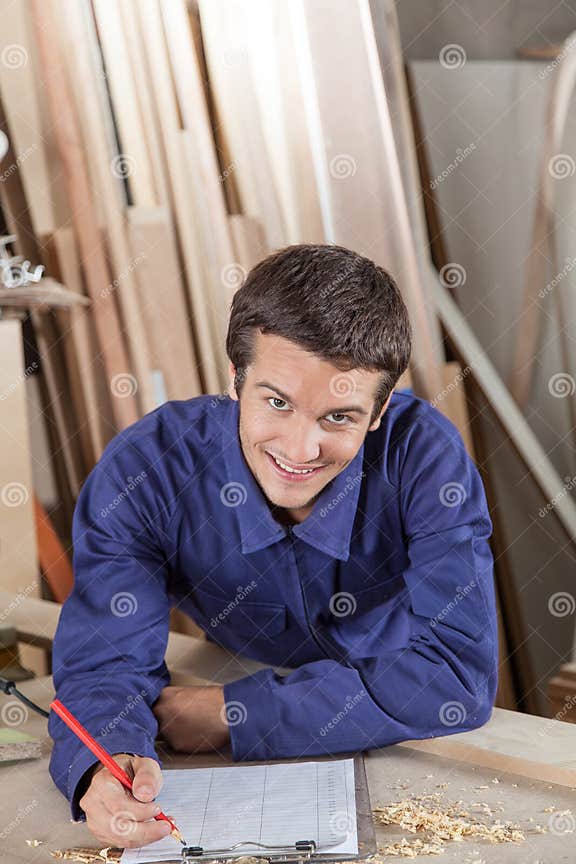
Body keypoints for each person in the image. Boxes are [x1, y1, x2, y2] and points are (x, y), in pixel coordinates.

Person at [48, 244, 498, 849]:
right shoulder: (148, 468)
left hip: (399, 727)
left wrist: (231, 716)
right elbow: (106, 660)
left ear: (379, 410)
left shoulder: (426, 462)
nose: (301, 448)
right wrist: (105, 763)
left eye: (338, 417)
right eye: (277, 402)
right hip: (243, 673)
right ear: (235, 379)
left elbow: (454, 678)